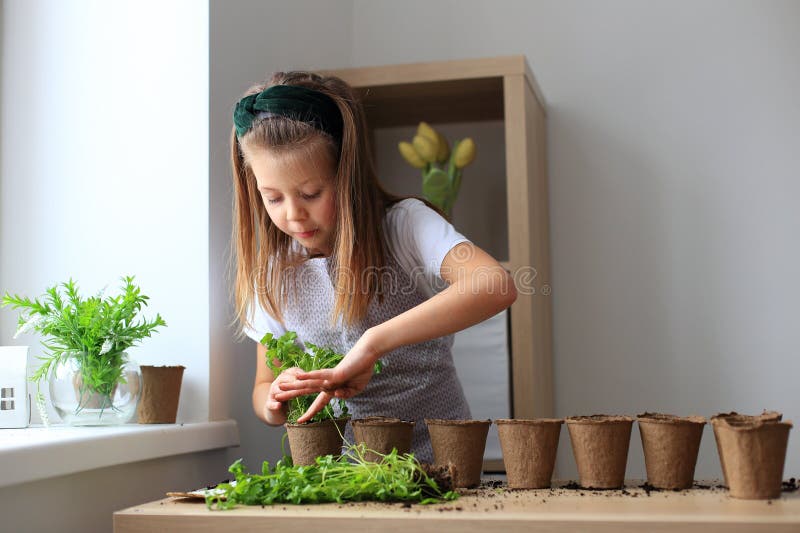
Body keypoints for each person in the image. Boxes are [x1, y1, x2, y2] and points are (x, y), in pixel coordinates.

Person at [230, 71, 517, 462]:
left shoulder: (405, 226)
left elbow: (494, 284)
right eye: (273, 198)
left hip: (442, 464)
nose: (294, 214)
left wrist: (371, 344)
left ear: (346, 176)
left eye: (311, 193)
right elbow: (263, 385)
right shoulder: (274, 275)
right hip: (340, 477)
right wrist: (274, 402)